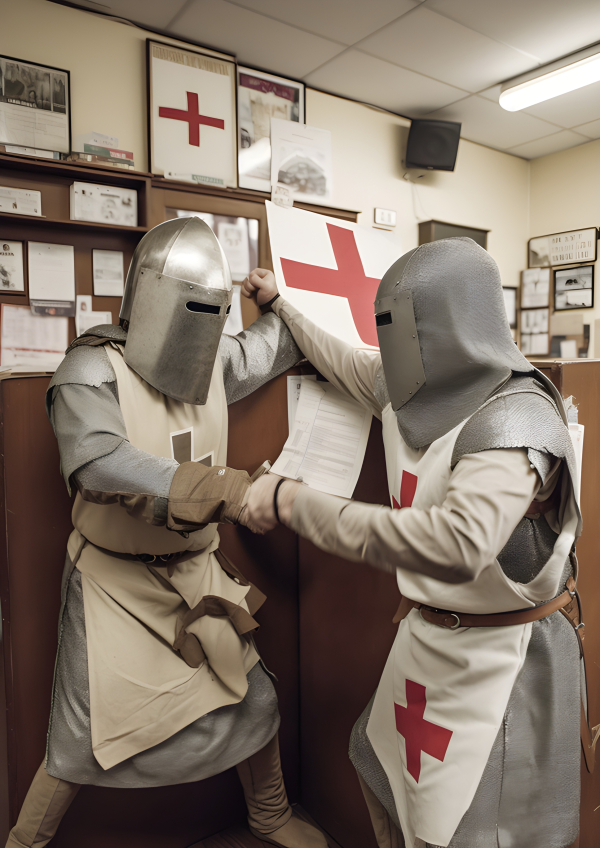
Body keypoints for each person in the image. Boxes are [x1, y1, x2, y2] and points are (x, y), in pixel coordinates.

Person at [242, 238, 592, 848]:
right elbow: (341, 358)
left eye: (398, 325)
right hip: (428, 643)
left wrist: (293, 501)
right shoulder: (410, 391)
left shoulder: (517, 421)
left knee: (478, 831)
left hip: (501, 661)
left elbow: (456, 544)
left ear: (453, 320)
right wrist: (283, 306)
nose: (389, 343)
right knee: (381, 774)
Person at [7, 217, 327, 848]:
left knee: (252, 696)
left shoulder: (213, 362)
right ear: (148, 294)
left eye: (216, 308)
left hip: (196, 573)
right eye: (193, 305)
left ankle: (268, 814)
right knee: (81, 733)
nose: (204, 321)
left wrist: (283, 301)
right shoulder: (88, 371)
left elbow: (273, 347)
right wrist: (228, 492)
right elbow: (102, 464)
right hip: (115, 585)